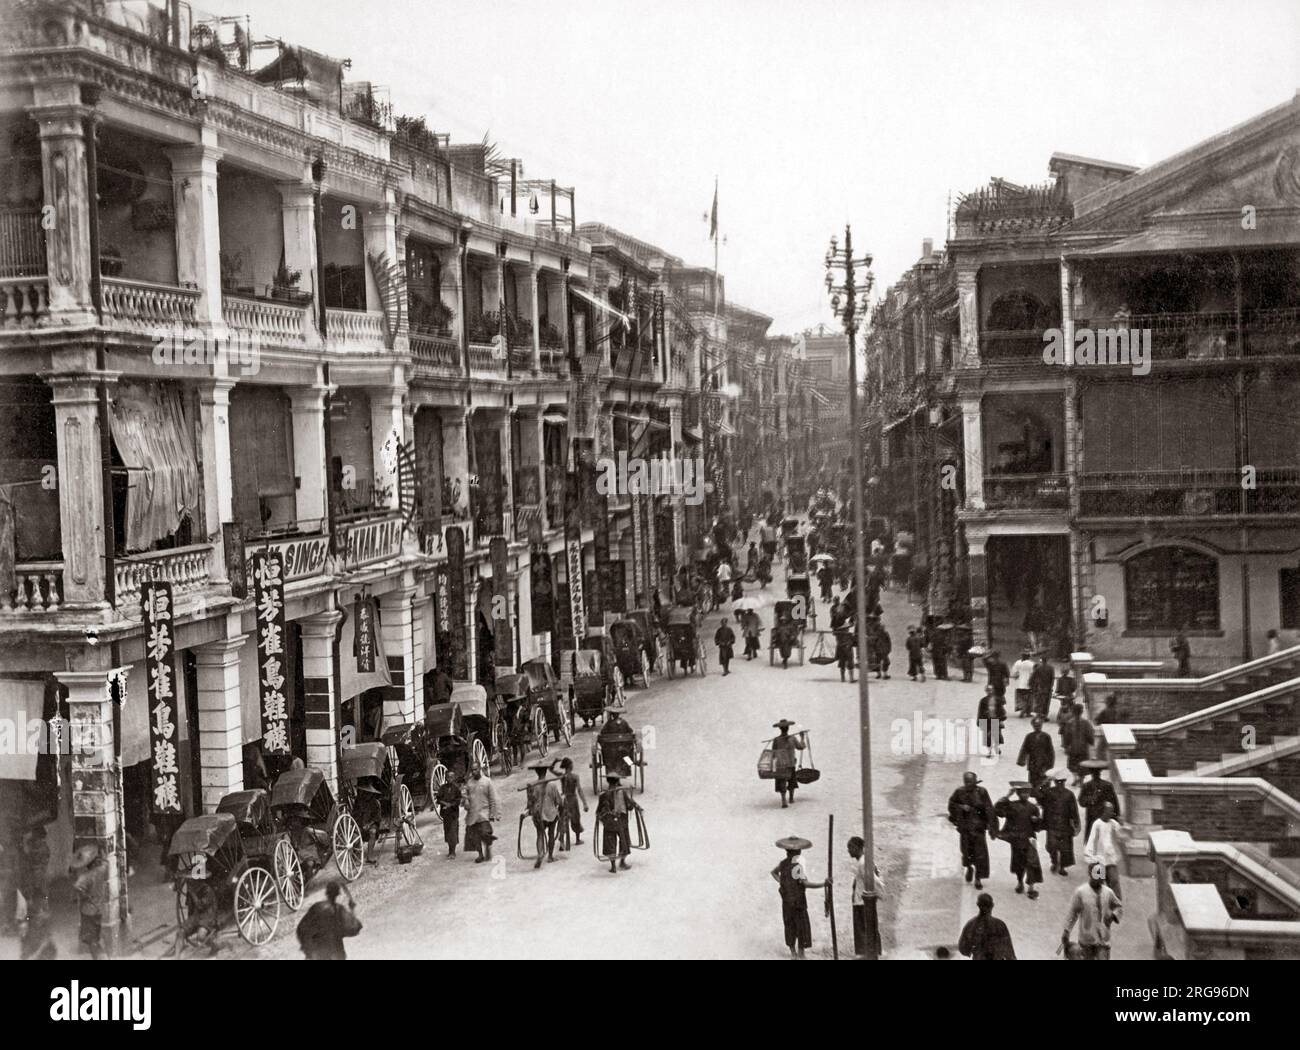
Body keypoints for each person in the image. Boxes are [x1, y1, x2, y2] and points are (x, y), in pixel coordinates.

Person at [771, 836, 829, 959]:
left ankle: (793, 953)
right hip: (798, 902)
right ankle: (801, 954)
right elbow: (806, 884)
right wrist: (823, 884)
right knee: (801, 927)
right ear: (798, 853)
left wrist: (783, 882)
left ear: (787, 852)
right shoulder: (798, 867)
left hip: (787, 901)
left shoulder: (783, 863)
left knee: (789, 925)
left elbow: (773, 873)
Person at [1062, 862, 1123, 960]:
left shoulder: (1108, 892)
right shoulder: (1081, 892)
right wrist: (1067, 930)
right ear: (1090, 874)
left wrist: (1113, 915)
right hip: (1087, 939)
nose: (1100, 879)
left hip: (1103, 940)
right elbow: (1073, 913)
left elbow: (1119, 907)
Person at [947, 771, 996, 890]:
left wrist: (991, 826)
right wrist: (961, 807)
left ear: (975, 781)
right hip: (965, 828)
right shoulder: (959, 792)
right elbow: (951, 805)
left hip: (979, 828)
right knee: (966, 851)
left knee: (980, 854)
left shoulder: (982, 792)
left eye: (971, 781)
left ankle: (978, 878)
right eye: (966, 782)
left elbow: (989, 808)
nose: (969, 784)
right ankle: (969, 867)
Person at [994, 782, 1043, 899]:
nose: (1025, 795)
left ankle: (1031, 887)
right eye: (1022, 793)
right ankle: (1020, 882)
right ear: (1018, 794)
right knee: (1019, 863)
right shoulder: (1011, 805)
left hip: (1030, 839)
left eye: (1027, 793)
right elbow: (997, 810)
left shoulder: (1033, 808)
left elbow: (1037, 828)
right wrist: (1007, 795)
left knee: (1033, 862)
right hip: (1016, 839)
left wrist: (1037, 821)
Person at [296, 880, 362, 960]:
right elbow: (354, 928)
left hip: (316, 954)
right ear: (337, 894)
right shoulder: (339, 911)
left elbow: (301, 928)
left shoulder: (316, 907)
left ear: (326, 893)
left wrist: (307, 948)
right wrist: (352, 910)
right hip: (335, 955)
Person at [596, 770, 642, 873]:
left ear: (608, 782)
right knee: (624, 842)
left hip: (609, 824)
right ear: (617, 782)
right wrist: (637, 807)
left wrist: (602, 818)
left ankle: (613, 866)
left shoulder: (603, 795)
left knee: (610, 843)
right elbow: (630, 805)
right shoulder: (622, 793)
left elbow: (598, 811)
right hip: (621, 822)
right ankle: (622, 862)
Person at [68, 844, 106, 960]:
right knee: (96, 937)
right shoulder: (101, 870)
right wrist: (103, 856)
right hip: (99, 909)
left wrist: (82, 896)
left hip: (88, 911)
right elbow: (105, 863)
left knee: (91, 940)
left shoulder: (84, 877)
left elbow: (76, 892)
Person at [1039, 770, 1080, 876]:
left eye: (1061, 782)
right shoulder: (1048, 792)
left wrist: (1076, 823)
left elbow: (1074, 810)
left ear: (1065, 782)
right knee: (1051, 846)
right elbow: (1037, 794)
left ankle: (1062, 867)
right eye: (1058, 782)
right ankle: (1054, 862)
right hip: (1051, 823)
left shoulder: (1069, 794)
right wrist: (1044, 783)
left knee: (1065, 848)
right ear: (1054, 782)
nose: (1059, 784)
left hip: (1065, 824)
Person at [846, 836, 882, 958]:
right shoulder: (864, 861)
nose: (848, 851)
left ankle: (867, 955)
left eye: (850, 847)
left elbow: (875, 880)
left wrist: (879, 894)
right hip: (862, 901)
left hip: (862, 903)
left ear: (857, 848)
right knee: (867, 931)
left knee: (863, 931)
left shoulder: (863, 863)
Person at [525, 763, 563, 869]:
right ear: (546, 772)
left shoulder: (532, 786)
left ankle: (540, 854)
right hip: (551, 814)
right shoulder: (552, 785)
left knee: (540, 834)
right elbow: (559, 801)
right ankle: (550, 856)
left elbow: (529, 804)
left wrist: (530, 811)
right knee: (551, 834)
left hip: (538, 815)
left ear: (537, 772)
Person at [958, 892, 1016, 960]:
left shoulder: (971, 925)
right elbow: (1009, 949)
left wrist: (973, 949)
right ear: (992, 905)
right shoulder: (1000, 924)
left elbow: (963, 948)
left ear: (978, 905)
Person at [1084, 800, 1123, 899]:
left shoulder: (1113, 824)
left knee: (1114, 881)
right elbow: (1092, 840)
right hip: (1098, 859)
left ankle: (1116, 902)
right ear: (1103, 811)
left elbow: (1121, 835)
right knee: (1097, 882)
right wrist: (1090, 857)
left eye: (1112, 811)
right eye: (1108, 811)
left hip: (1110, 858)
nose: (1111, 814)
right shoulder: (1097, 824)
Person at [463, 764, 500, 863]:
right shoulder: (469, 783)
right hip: (473, 813)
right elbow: (464, 792)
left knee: (484, 832)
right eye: (472, 770)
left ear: (479, 769)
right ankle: (480, 854)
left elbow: (493, 798)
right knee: (475, 836)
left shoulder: (487, 781)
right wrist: (466, 800)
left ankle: (488, 845)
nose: (474, 772)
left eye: (475, 769)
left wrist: (493, 814)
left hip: (484, 812)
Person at [1078, 761, 1120, 838]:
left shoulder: (1088, 785)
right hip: (1100, 817)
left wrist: (1090, 800)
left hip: (1096, 816)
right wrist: (1116, 817)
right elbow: (1114, 803)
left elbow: (1081, 802)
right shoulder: (1106, 785)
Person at [770, 720, 806, 808]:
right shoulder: (792, 738)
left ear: (780, 729)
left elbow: (773, 753)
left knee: (782, 781)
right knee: (792, 781)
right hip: (790, 763)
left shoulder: (776, 740)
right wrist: (802, 738)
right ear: (788, 728)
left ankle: (783, 801)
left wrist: (773, 765)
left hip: (781, 765)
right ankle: (791, 798)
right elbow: (801, 747)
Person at [1016, 715, 1056, 790]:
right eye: (1035, 726)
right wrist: (1021, 760)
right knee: (1033, 784)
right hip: (1033, 764)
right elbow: (1024, 748)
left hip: (1044, 764)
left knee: (1044, 784)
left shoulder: (1046, 736)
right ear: (1033, 726)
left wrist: (1051, 764)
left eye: (1039, 726)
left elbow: (1051, 751)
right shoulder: (1029, 736)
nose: (1037, 727)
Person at [597, 706, 636, 777]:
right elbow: (631, 732)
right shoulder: (624, 722)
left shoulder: (609, 724)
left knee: (608, 755)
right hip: (624, 749)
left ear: (612, 715)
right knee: (627, 756)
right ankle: (628, 766)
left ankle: (611, 776)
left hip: (611, 750)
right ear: (618, 714)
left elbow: (602, 733)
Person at [1062, 703, 1095, 785]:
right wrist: (1091, 741)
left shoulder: (1070, 723)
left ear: (1073, 712)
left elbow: (1066, 736)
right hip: (1082, 748)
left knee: (1073, 764)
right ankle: (1080, 779)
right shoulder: (1086, 723)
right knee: (1082, 765)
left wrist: (1066, 746)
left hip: (1073, 748)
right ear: (1081, 712)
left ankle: (1076, 778)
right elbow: (1090, 735)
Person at [558, 757, 588, 847]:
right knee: (576, 819)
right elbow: (579, 790)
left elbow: (551, 769)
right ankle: (577, 840)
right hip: (573, 800)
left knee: (563, 819)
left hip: (564, 799)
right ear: (570, 766)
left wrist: (555, 761)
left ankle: (562, 843)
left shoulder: (562, 776)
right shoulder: (575, 777)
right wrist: (584, 803)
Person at [434, 769, 463, 858]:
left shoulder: (456, 788)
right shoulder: (442, 788)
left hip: (453, 814)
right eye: (448, 777)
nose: (450, 779)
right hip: (446, 815)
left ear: (454, 778)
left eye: (451, 777)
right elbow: (438, 799)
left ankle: (453, 852)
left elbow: (458, 800)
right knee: (447, 832)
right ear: (446, 778)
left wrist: (451, 805)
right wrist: (444, 803)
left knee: (453, 832)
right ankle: (450, 850)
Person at [976, 684, 1004, 757]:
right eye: (988, 690)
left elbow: (1001, 710)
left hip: (995, 720)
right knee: (987, 736)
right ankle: (989, 751)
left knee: (996, 735)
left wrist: (1001, 718)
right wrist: (979, 721)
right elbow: (980, 711)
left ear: (993, 690)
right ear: (986, 691)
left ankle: (997, 747)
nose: (989, 692)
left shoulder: (997, 700)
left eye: (991, 690)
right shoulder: (983, 700)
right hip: (986, 720)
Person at [1011, 649, 1035, 717]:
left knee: (1020, 698)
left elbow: (1014, 674)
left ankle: (1022, 709)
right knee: (1029, 698)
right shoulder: (1031, 664)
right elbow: (1033, 674)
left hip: (1019, 684)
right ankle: (1027, 711)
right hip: (1028, 684)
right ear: (1029, 656)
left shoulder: (1017, 663)